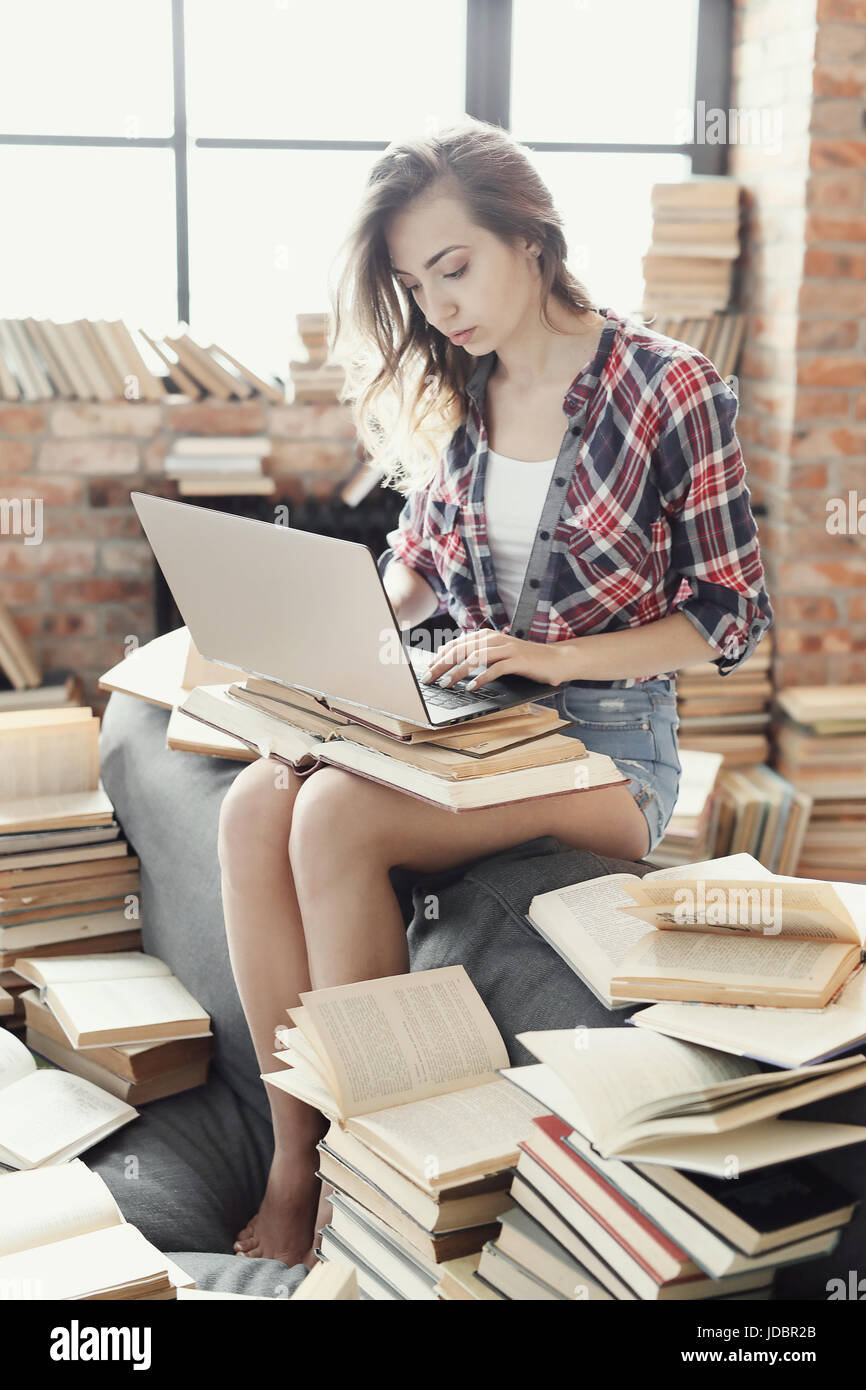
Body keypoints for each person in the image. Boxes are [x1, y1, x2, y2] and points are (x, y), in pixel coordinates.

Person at [218, 118, 774, 1265]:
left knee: (331, 810)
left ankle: (357, 1182)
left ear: (529, 236)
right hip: (477, 726)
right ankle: (293, 1155)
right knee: (252, 802)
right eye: (417, 286)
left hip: (606, 755)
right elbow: (420, 566)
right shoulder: (465, 395)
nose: (438, 306)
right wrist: (363, 618)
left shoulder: (672, 391)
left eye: (453, 268)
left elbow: (730, 615)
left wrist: (555, 658)